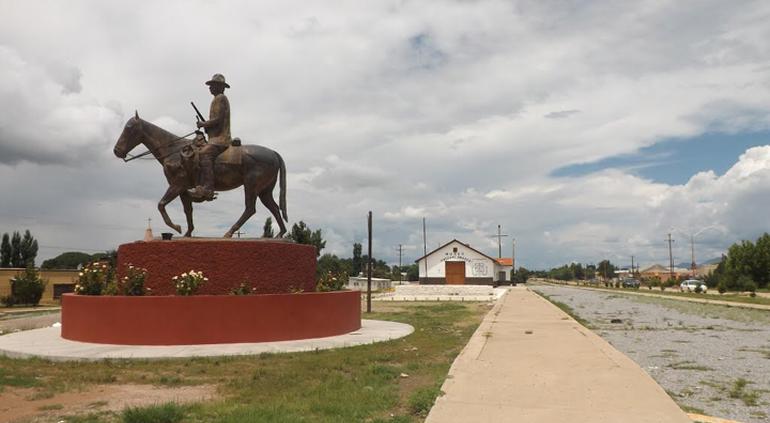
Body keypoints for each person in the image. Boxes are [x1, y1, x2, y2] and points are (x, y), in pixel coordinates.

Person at [188, 73, 232, 201]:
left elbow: (218, 120)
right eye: (210, 85)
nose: (210, 88)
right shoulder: (216, 99)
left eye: (212, 85)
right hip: (215, 137)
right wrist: (207, 127)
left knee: (204, 154)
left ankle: (208, 188)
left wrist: (203, 123)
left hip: (221, 139)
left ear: (220, 87)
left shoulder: (221, 98)